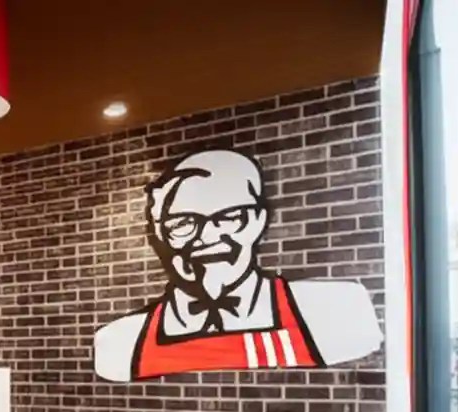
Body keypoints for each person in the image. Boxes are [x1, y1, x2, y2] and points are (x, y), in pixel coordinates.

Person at [94, 149, 382, 382]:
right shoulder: (123, 340)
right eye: (184, 223)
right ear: (159, 234)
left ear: (258, 221)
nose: (207, 236)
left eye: (230, 217)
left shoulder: (332, 311)